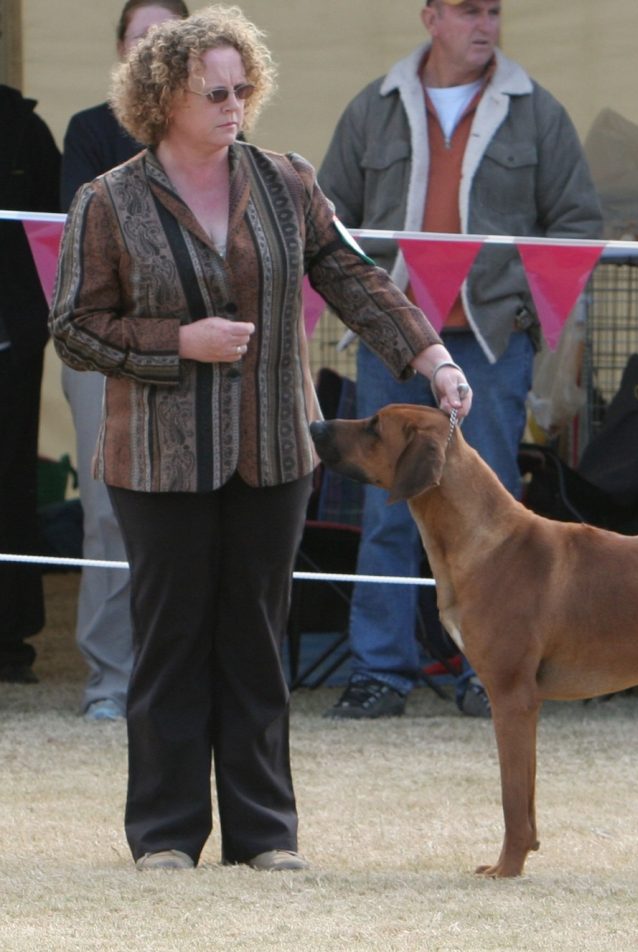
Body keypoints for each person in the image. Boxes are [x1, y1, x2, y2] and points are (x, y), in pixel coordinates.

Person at [49, 5, 470, 872]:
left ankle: (266, 834)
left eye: (243, 88)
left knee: (255, 641)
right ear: (163, 97)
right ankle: (165, 835)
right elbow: (76, 329)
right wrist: (178, 341)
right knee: (170, 643)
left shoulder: (288, 180)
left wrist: (429, 356)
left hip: (275, 449)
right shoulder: (108, 199)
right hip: (156, 458)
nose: (234, 104)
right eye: (215, 92)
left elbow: (354, 277)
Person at [317, 0, 602, 720]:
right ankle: (379, 671)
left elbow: (577, 223)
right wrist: (367, 305)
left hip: (491, 340)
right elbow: (326, 218)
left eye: (494, 11)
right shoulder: (373, 107)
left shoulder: (537, 110)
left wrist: (525, 311)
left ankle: (492, 668)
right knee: (387, 509)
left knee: (494, 513)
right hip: (391, 340)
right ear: (431, 17)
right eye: (469, 10)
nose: (486, 24)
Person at [60, 0, 189, 723]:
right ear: (120, 50)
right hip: (103, 348)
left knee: (195, 509)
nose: (155, 48)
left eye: (171, 37)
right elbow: (88, 239)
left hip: (198, 346)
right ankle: (111, 681)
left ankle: (182, 677)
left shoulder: (219, 127)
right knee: (109, 513)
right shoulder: (88, 132)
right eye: (143, 36)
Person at [0, 85, 62, 684]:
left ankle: (9, 642)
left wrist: (30, 326)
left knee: (10, 488)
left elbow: (59, 236)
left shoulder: (23, 129)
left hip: (9, 346)